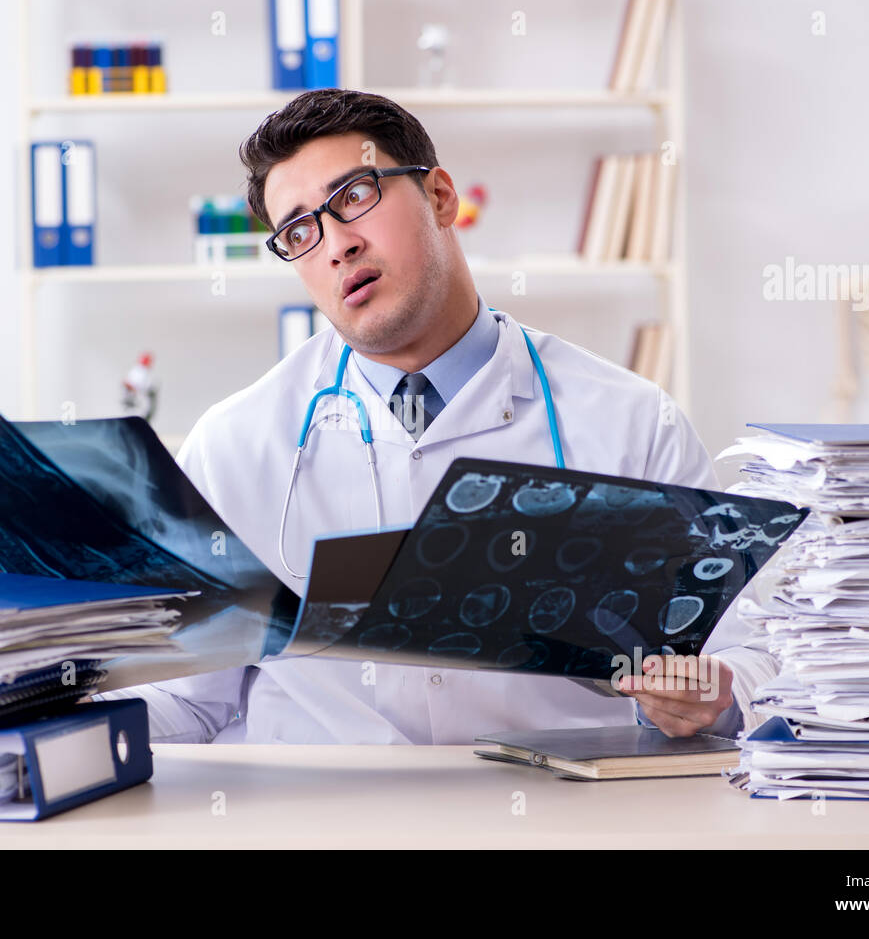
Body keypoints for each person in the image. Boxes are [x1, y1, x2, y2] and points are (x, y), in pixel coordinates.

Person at [94, 88, 775, 743]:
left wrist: (713, 696)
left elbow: (747, 657)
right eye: (299, 230)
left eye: (354, 197)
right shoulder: (234, 445)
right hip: (313, 818)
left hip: (556, 815)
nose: (337, 245)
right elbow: (184, 698)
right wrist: (42, 693)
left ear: (441, 197)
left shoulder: (631, 423)